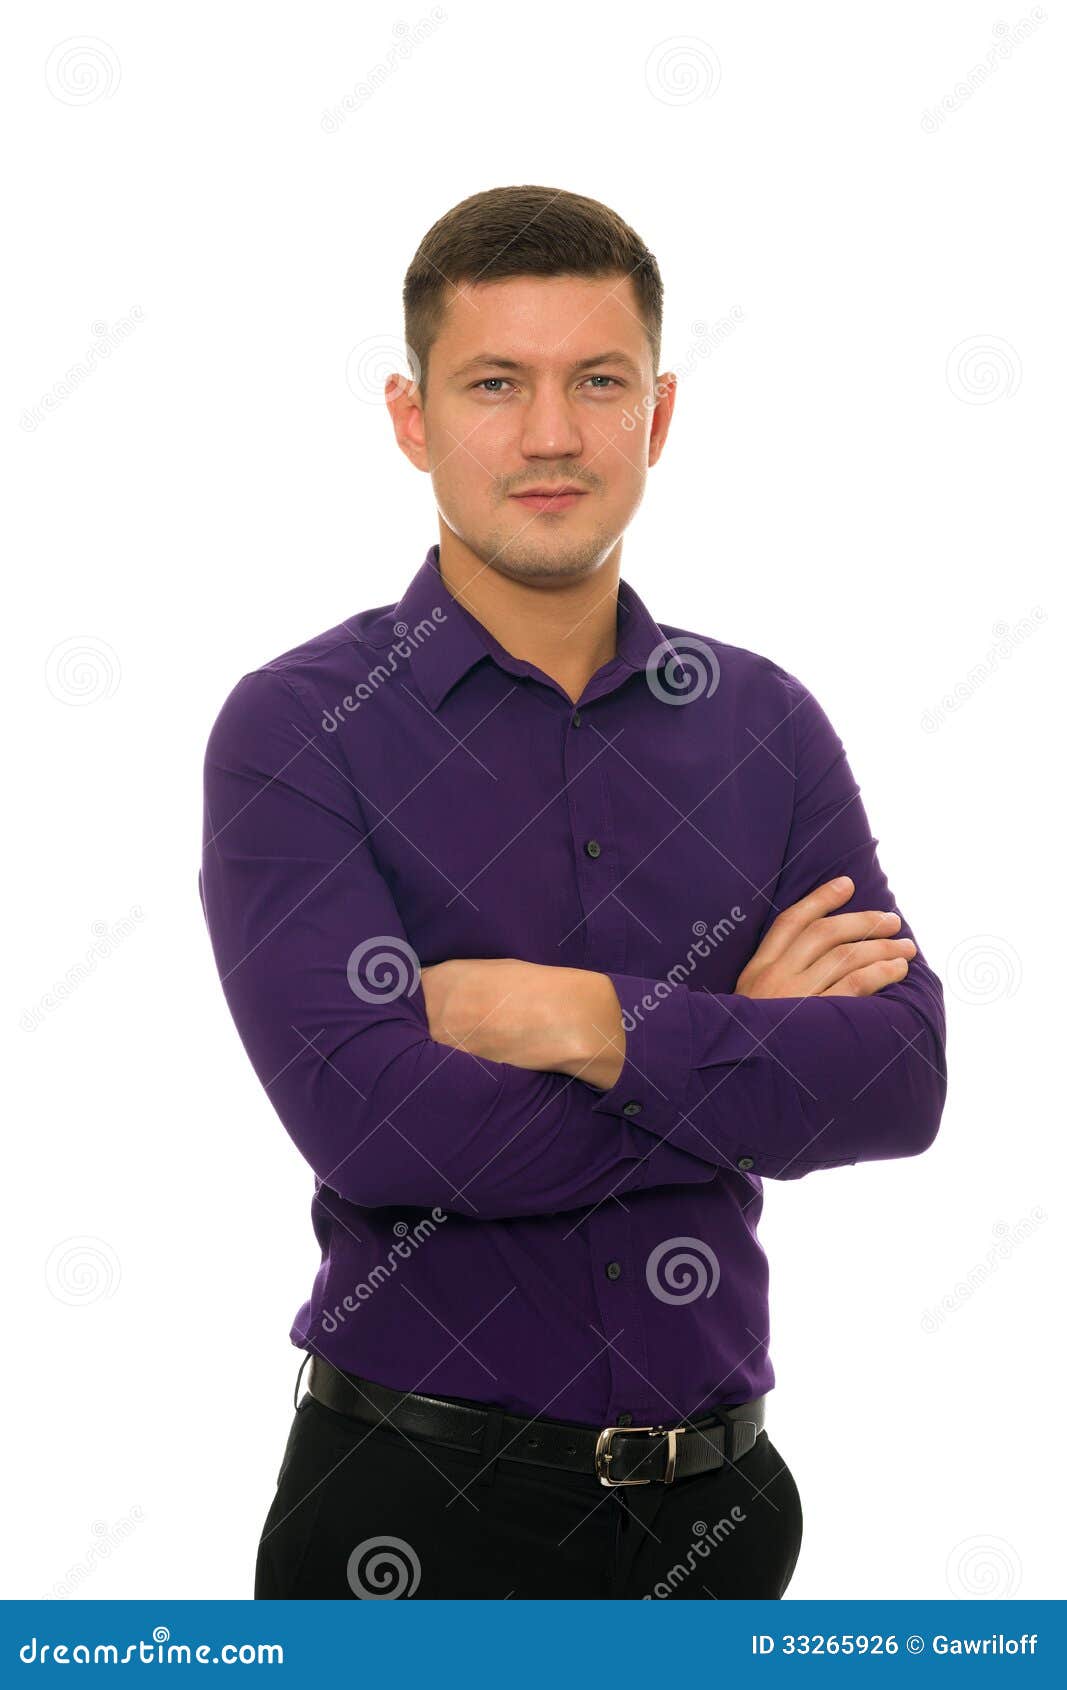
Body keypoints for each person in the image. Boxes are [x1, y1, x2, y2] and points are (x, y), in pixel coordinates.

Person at [199, 185, 948, 1600]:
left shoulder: (766, 723)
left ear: (656, 416)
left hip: (726, 1515)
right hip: (411, 1521)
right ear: (412, 418)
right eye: (496, 383)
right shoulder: (298, 729)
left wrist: (587, 1022)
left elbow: (900, 1082)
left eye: (598, 382)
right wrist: (737, 1052)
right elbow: (378, 1135)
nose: (552, 434)